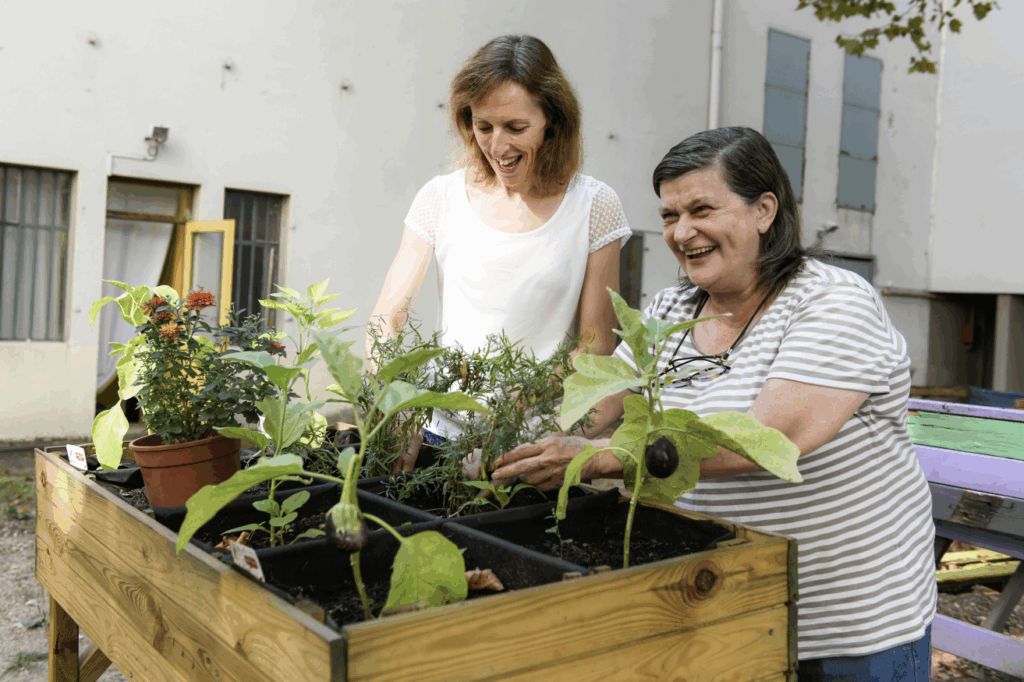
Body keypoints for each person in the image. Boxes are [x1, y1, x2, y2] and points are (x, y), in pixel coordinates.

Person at [492, 127, 936, 680]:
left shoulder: (830, 301)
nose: (682, 232)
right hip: (723, 612)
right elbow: (600, 407)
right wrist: (511, 437)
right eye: (669, 215)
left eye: (702, 209)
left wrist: (602, 458)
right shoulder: (671, 307)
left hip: (843, 629)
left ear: (764, 210)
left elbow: (768, 438)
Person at [368, 34, 631, 462]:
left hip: (532, 445)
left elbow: (594, 346)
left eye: (516, 127)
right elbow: (387, 318)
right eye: (483, 126)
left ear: (553, 121)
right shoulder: (440, 198)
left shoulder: (594, 206)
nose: (498, 146)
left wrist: (515, 411)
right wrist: (399, 402)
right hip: (436, 437)